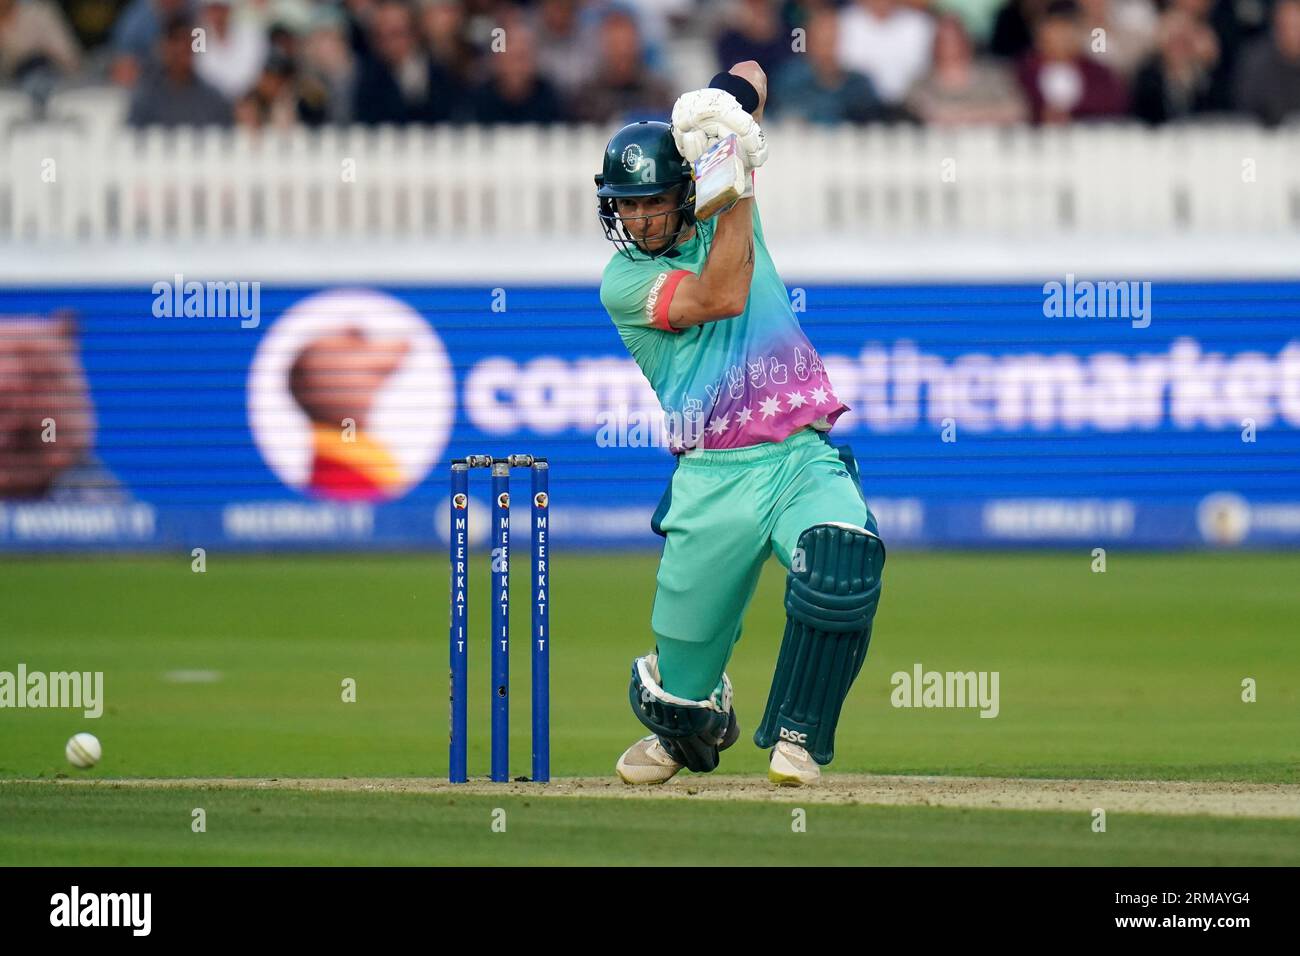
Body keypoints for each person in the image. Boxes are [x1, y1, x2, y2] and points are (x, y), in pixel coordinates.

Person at [596, 62, 886, 787]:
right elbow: (724, 292)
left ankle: (796, 738)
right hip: (710, 479)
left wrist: (720, 104)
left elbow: (754, 71)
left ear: (684, 191)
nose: (638, 221)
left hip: (796, 458)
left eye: (652, 203)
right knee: (677, 709)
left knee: (843, 558)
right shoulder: (625, 282)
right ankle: (691, 711)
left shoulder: (715, 207)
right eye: (626, 207)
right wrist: (738, 178)